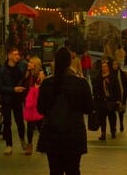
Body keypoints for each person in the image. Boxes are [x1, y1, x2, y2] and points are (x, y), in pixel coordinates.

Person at [37, 47, 95, 175]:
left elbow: (40, 109)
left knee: (55, 170)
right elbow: (89, 108)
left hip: (53, 133)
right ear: (70, 62)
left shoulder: (47, 84)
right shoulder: (81, 83)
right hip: (74, 133)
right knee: (73, 169)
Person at [0, 47, 29, 155]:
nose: (18, 56)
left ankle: (22, 139)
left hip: (17, 99)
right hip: (6, 99)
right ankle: (9, 145)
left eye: (18, 54)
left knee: (20, 121)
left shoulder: (20, 66)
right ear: (9, 56)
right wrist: (13, 89)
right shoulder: (2, 70)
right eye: (15, 54)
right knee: (7, 122)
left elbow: (29, 70)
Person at [93, 59, 123, 140]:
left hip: (111, 101)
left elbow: (117, 89)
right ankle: (103, 133)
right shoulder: (98, 78)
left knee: (112, 117)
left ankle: (113, 131)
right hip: (102, 101)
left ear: (108, 68)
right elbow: (95, 90)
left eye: (106, 66)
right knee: (102, 118)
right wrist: (96, 99)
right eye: (103, 67)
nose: (104, 68)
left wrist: (118, 100)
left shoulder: (113, 77)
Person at [24, 56, 46, 154]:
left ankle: (43, 144)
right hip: (29, 101)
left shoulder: (40, 74)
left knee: (40, 124)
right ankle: (30, 144)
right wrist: (27, 73)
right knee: (30, 124)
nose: (29, 64)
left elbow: (40, 86)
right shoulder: (28, 73)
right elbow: (23, 84)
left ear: (36, 64)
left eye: (31, 62)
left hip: (38, 101)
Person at [112, 59, 127, 135]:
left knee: (120, 111)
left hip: (121, 95)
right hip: (113, 96)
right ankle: (114, 126)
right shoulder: (110, 74)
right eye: (113, 65)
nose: (115, 66)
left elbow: (126, 85)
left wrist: (125, 96)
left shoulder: (122, 74)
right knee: (113, 112)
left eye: (116, 64)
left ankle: (121, 123)